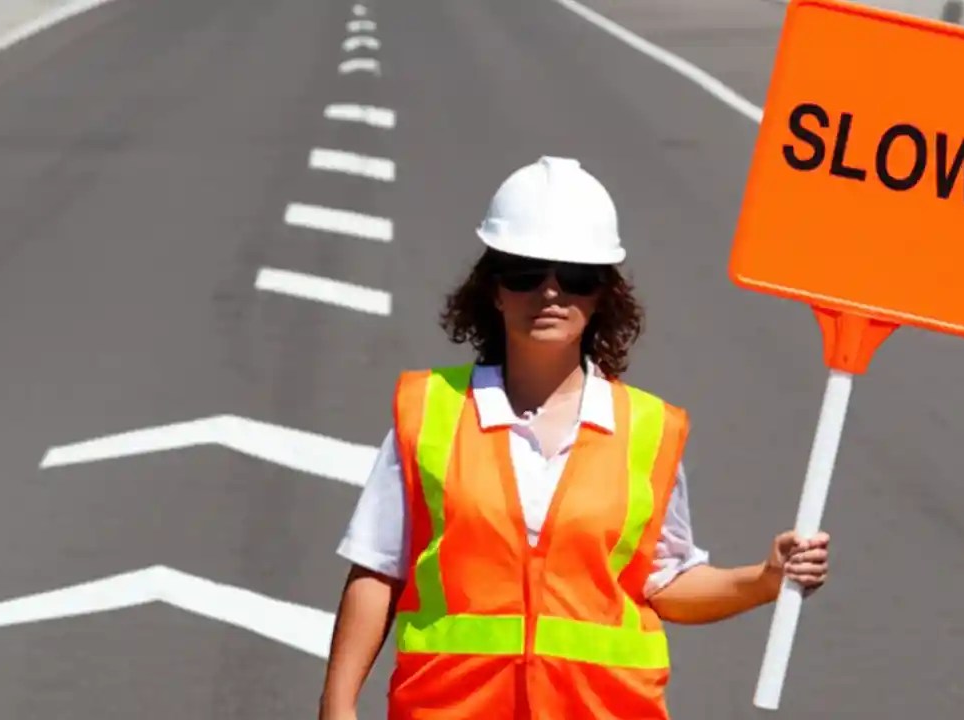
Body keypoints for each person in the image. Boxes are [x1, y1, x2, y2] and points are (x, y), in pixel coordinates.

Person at [317, 156, 830, 720]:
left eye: (576, 277)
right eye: (525, 272)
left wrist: (762, 580)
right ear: (494, 290)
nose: (551, 294)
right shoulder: (430, 412)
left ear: (602, 296)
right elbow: (377, 569)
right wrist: (338, 706)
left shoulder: (646, 430)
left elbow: (664, 582)